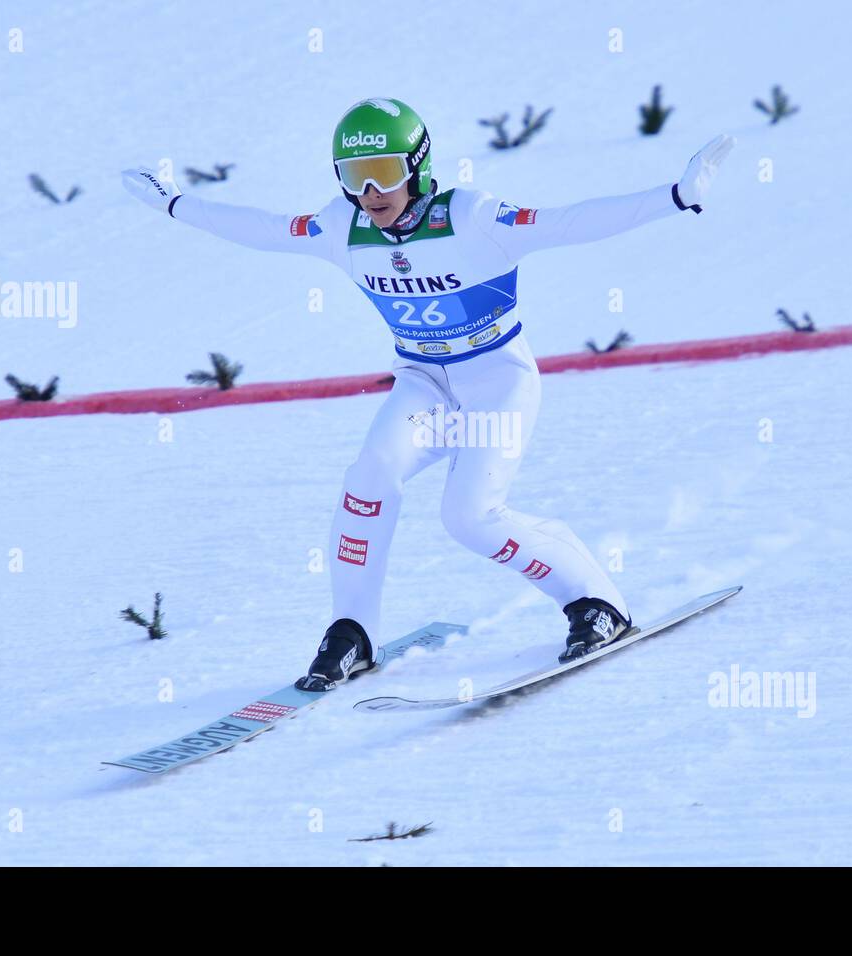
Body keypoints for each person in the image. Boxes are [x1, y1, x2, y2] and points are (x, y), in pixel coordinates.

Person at [122, 97, 734, 690]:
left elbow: (570, 223)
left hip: (496, 382)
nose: (371, 192)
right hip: (425, 387)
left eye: (384, 172)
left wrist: (674, 197)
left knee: (469, 518)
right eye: (354, 176)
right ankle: (351, 632)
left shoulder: (472, 216)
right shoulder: (343, 228)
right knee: (368, 478)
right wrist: (175, 204)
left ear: (418, 166)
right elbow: (262, 229)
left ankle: (595, 602)